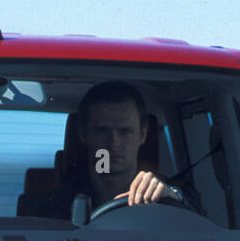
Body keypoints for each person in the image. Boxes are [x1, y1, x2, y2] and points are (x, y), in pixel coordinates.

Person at [21, 81, 196, 221]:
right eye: (102, 131)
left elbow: (205, 236)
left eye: (125, 131)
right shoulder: (48, 208)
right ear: (83, 134)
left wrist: (173, 199)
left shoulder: (171, 196)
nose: (113, 143)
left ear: (142, 135)